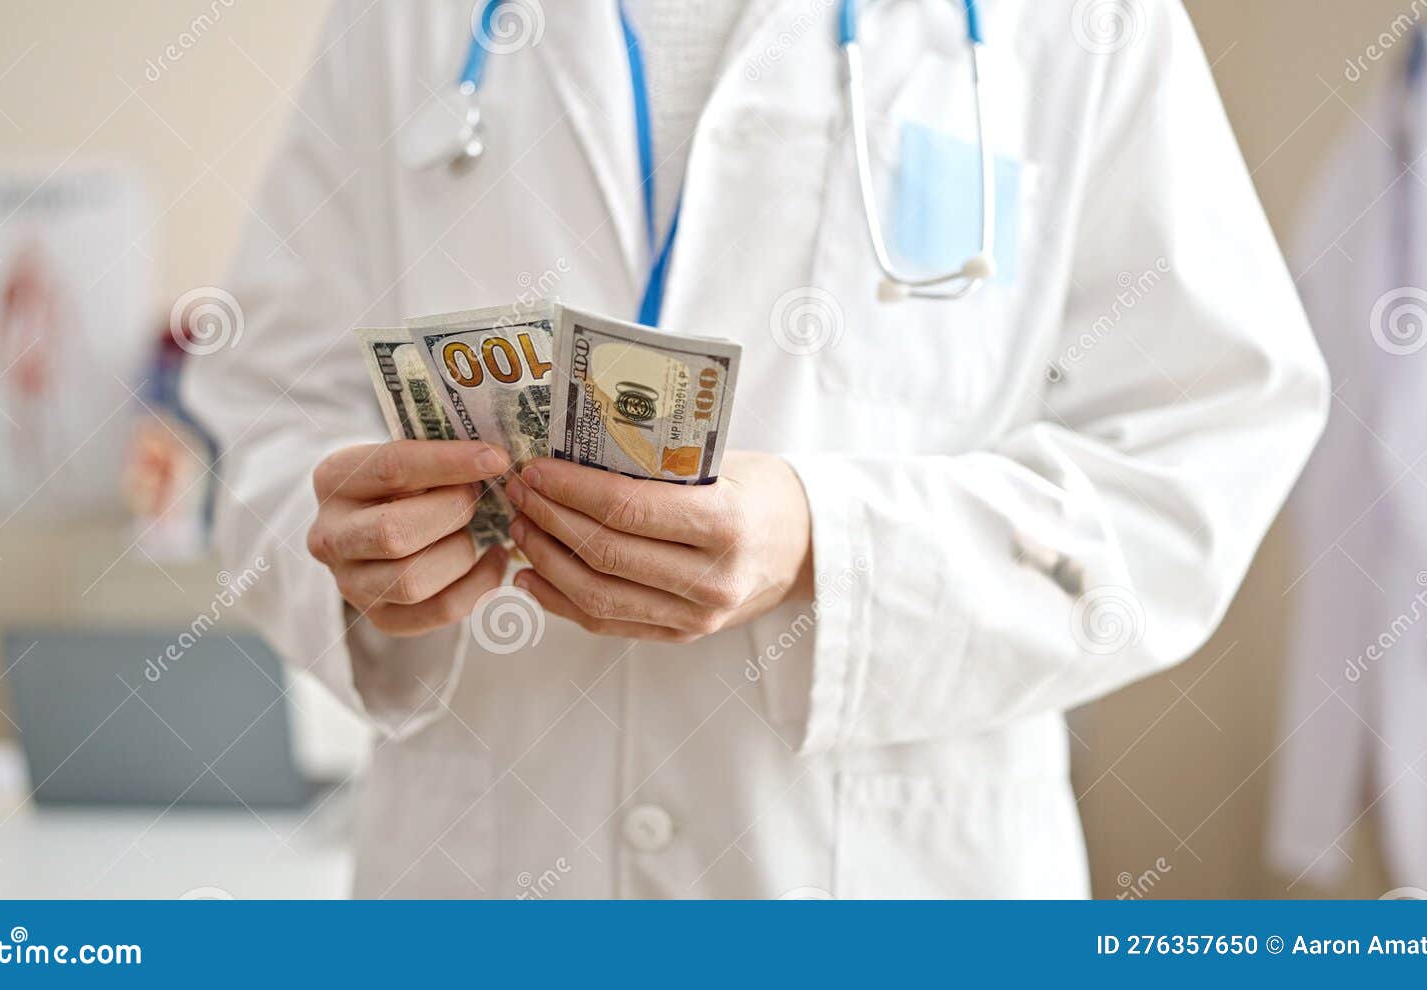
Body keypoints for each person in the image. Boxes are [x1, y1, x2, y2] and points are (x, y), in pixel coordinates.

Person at [184, 0, 1328, 898]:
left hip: (892, 879)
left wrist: (833, 546)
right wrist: (348, 552)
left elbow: (1201, 443)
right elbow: (265, 405)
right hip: (487, 876)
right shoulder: (401, 18)